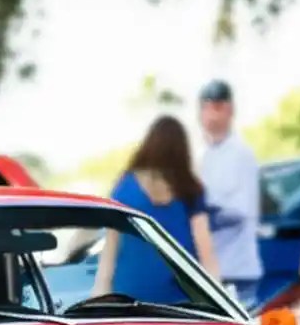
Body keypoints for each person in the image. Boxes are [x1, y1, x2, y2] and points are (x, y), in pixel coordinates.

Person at [93, 116, 220, 303]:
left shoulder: (125, 188)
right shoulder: (190, 189)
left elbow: (110, 247)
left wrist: (100, 292)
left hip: (129, 297)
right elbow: (206, 250)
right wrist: (218, 296)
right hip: (181, 299)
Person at [197, 80, 262, 307]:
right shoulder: (203, 156)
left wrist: (202, 216)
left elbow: (239, 212)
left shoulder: (241, 153)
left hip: (237, 272)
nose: (210, 114)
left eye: (217, 107)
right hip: (209, 271)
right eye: (205, 107)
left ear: (230, 110)